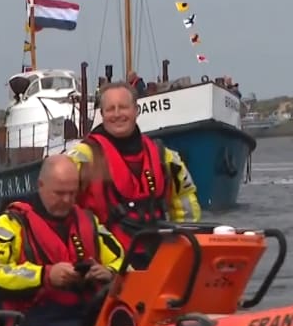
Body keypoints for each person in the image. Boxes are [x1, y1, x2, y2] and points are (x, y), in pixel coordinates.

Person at [0, 155, 126, 326]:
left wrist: (108, 272)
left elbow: (122, 260)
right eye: (60, 193)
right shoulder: (9, 225)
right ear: (41, 185)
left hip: (87, 312)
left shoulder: (89, 222)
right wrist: (44, 275)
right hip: (32, 318)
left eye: (72, 193)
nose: (67, 200)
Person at [68, 81, 201, 267]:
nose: (117, 114)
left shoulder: (165, 157)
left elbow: (185, 205)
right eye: (110, 109)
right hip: (107, 266)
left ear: (136, 110)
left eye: (123, 107)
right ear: (102, 114)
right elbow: (61, 209)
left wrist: (183, 249)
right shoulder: (82, 158)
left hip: (159, 259)